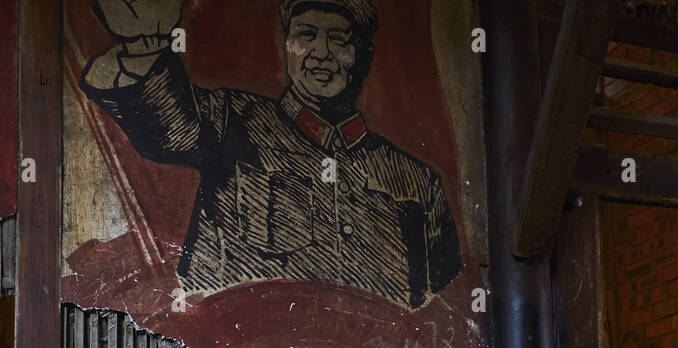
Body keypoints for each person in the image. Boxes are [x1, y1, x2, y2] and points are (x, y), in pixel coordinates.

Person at [80, 0, 463, 309]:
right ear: (287, 46)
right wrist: (144, 48)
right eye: (306, 35)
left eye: (339, 40)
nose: (321, 53)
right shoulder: (230, 121)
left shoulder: (415, 182)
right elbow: (165, 131)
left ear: (364, 54)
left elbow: (444, 310)